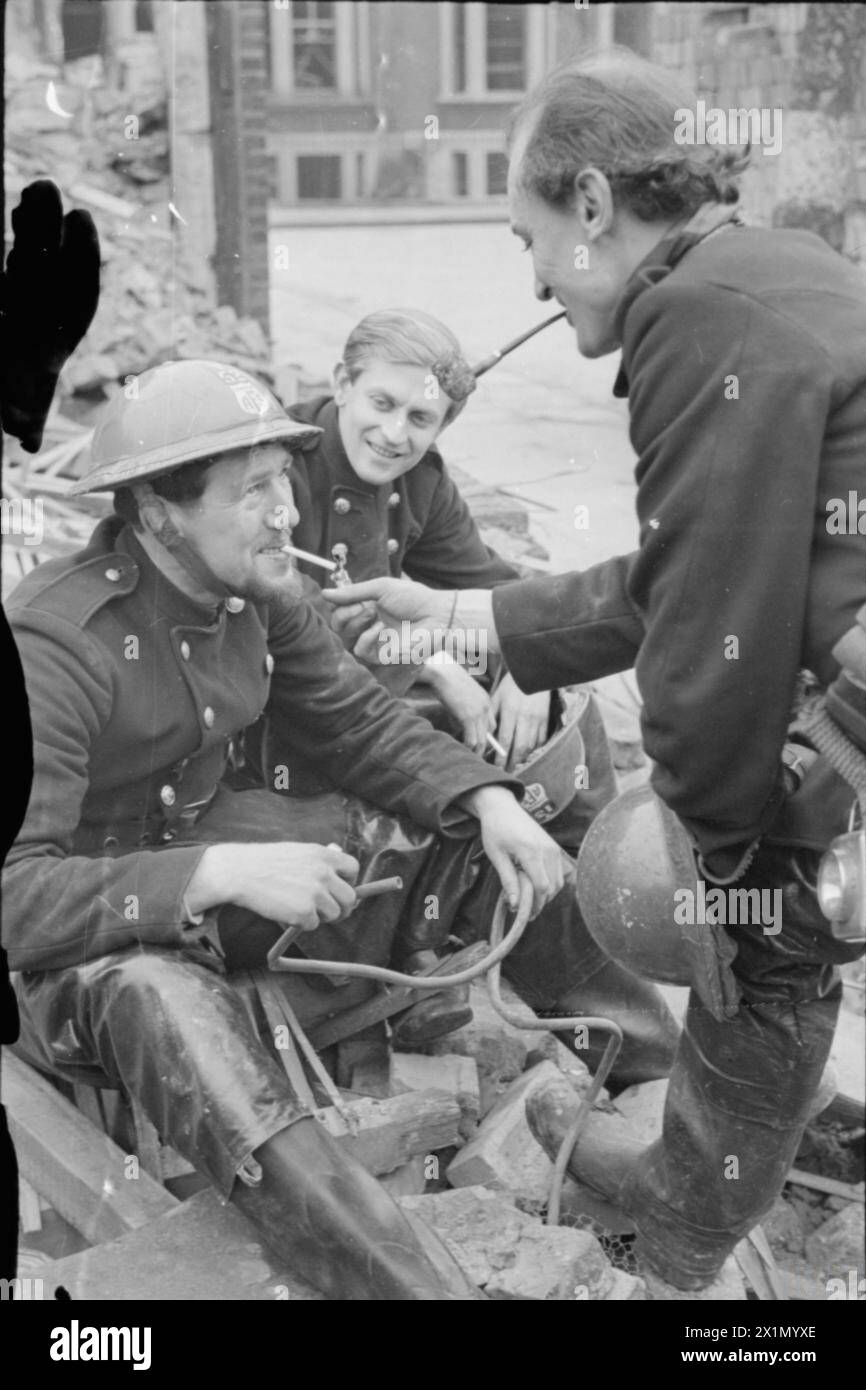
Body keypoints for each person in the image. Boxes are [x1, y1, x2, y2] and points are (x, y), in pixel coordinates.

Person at [324, 51, 866, 1293]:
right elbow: (686, 575)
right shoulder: (773, 270)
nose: (526, 275)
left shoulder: (694, 315)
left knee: (764, 925)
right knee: (781, 912)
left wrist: (724, 846)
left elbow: (710, 632)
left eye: (528, 235)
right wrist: (461, 620)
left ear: (587, 202)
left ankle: (677, 1235)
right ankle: (732, 1148)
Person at [2, 357, 678, 1301]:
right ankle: (401, 1289)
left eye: (285, 480)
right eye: (254, 492)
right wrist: (217, 873)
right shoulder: (54, 642)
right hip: (85, 948)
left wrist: (488, 800)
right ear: (159, 513)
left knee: (475, 838)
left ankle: (673, 1103)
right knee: (158, 993)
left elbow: (361, 725)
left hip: (213, 876)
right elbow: (13, 897)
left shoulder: (258, 591)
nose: (288, 511)